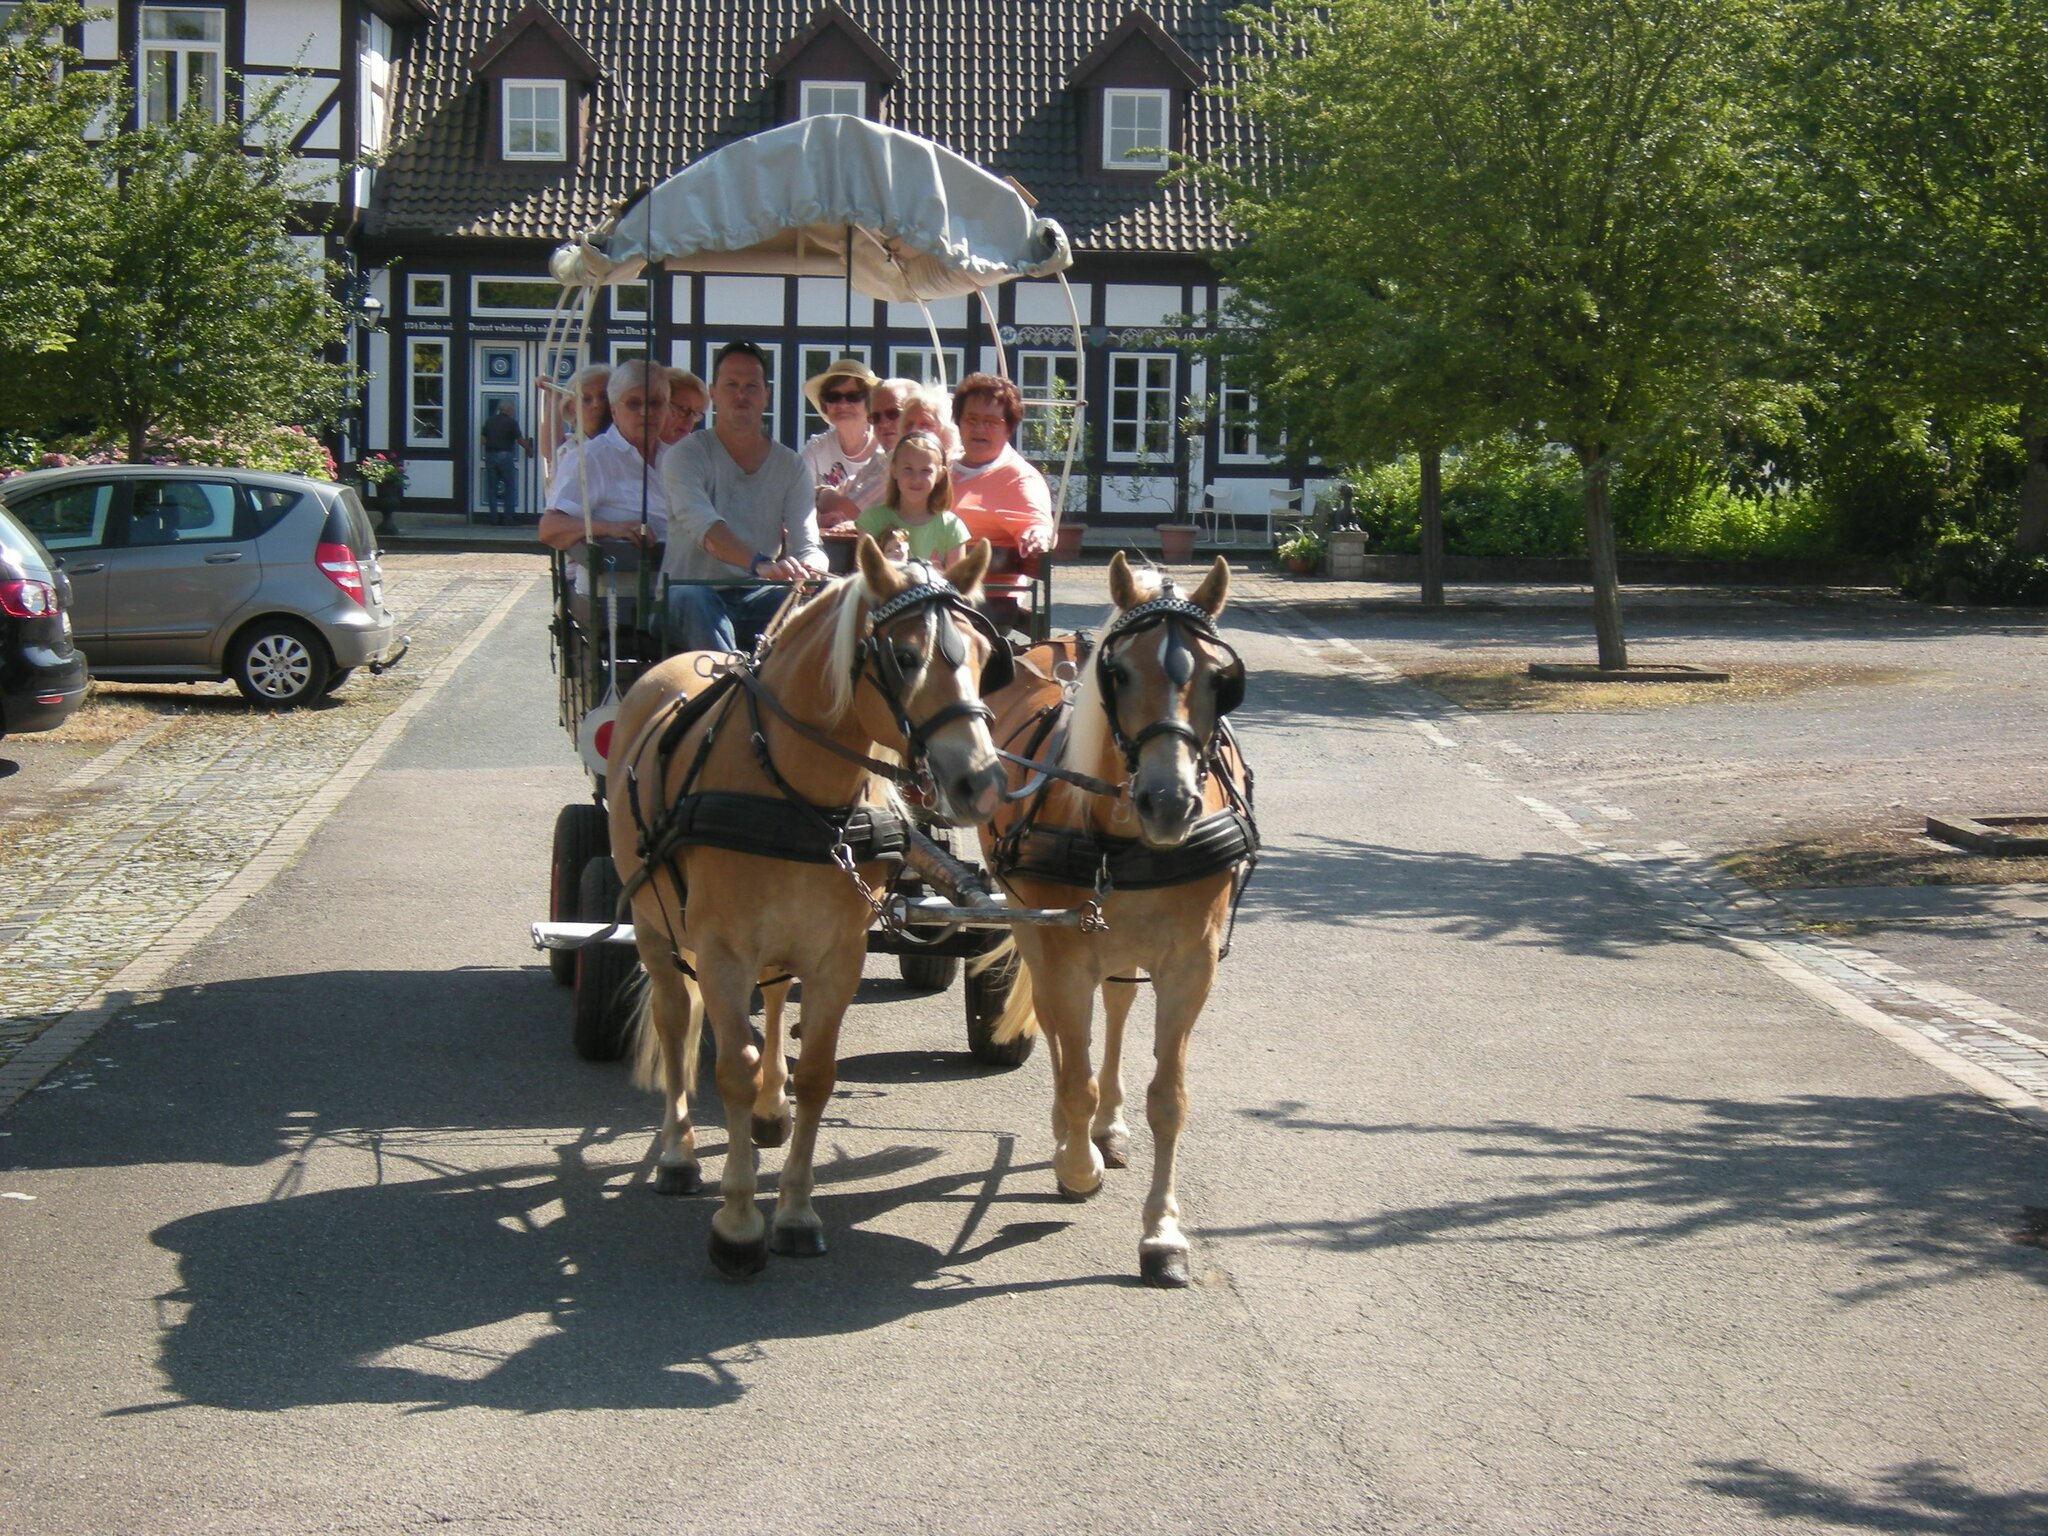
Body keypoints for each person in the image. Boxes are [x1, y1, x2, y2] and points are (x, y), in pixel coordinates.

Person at [661, 339, 824, 653]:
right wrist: (760, 564)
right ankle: (731, 683)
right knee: (696, 600)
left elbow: (808, 544)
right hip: (687, 595)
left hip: (758, 597)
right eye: (731, 385)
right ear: (713, 394)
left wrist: (810, 570)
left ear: (766, 395)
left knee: (819, 610)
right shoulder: (684, 456)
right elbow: (708, 531)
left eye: (751, 386)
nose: (741, 394)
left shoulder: (792, 466)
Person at [536, 360, 671, 589]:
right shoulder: (590, 458)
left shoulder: (677, 458)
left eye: (655, 403)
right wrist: (613, 529)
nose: (646, 412)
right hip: (624, 592)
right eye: (634, 404)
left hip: (684, 581)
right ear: (615, 411)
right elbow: (550, 529)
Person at [948, 373, 1053, 558]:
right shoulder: (941, 464)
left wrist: (1037, 535)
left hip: (982, 574)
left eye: (991, 422)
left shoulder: (1019, 478)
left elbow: (1038, 525)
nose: (979, 429)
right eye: (971, 419)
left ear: (1008, 429)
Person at [855, 431, 971, 567]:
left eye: (926, 471)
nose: (916, 479)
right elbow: (864, 573)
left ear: (940, 474)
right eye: (908, 469)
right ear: (894, 470)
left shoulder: (951, 528)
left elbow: (956, 579)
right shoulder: (872, 520)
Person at [800, 357, 881, 530]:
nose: (843, 404)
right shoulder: (816, 450)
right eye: (833, 397)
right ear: (825, 405)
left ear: (870, 403)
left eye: (853, 397)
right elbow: (796, 502)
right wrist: (819, 520)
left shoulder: (886, 448)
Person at [479, 399, 530, 526]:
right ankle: (508, 518)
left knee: (492, 488)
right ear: (510, 410)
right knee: (509, 487)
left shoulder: (489, 421)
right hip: (505, 456)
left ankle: (494, 518)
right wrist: (529, 449)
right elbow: (520, 440)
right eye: (513, 409)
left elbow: (482, 440)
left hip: (490, 456)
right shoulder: (511, 422)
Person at [660, 368, 707, 447]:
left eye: (696, 414)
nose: (689, 421)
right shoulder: (637, 447)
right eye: (683, 409)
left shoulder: (696, 449)